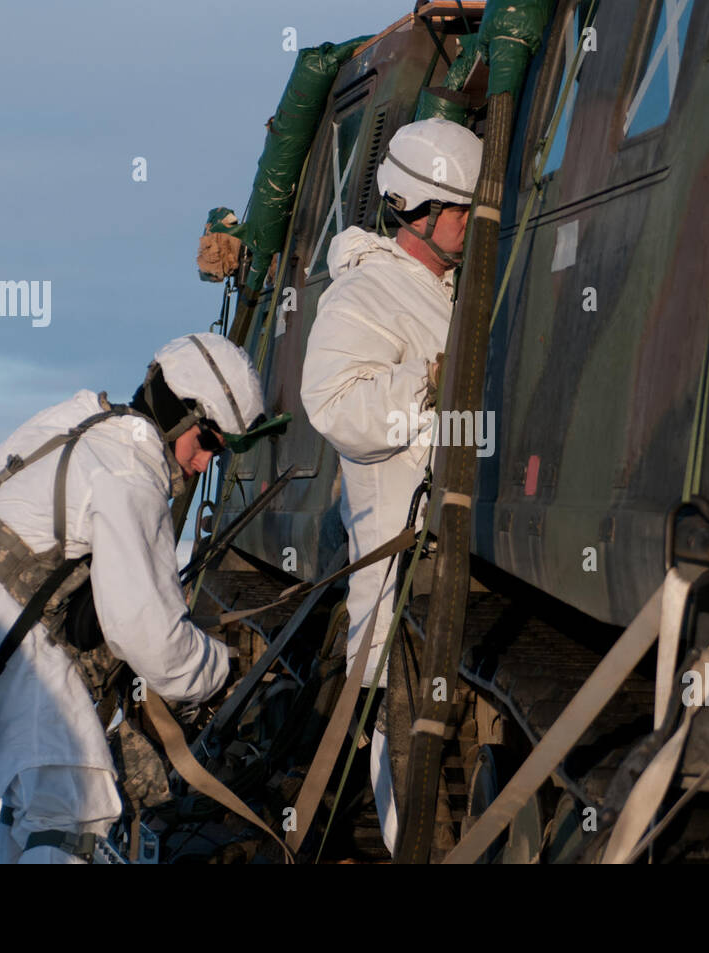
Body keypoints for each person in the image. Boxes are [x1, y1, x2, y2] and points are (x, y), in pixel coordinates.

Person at [0, 332, 278, 863]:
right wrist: (220, 671)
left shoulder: (88, 421)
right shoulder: (131, 472)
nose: (205, 463)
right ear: (178, 413)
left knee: (36, 797)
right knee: (73, 812)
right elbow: (148, 636)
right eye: (210, 442)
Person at [300, 117, 483, 854]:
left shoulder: (442, 291)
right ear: (421, 209)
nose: (472, 226)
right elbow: (335, 404)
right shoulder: (366, 296)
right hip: (398, 563)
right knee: (402, 737)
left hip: (449, 552)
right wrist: (426, 385)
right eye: (464, 210)